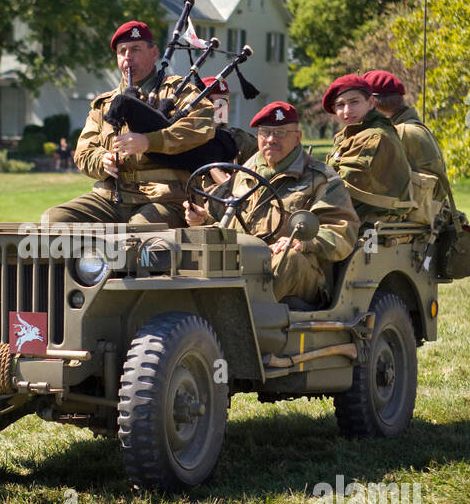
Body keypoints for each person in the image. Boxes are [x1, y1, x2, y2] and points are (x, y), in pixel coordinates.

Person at [184, 101, 358, 304]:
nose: (271, 140)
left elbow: (341, 232)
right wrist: (202, 219)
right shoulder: (244, 173)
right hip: (243, 261)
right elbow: (220, 220)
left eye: (280, 133)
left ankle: (236, 316)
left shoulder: (321, 179)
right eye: (264, 133)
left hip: (297, 269)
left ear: (298, 137)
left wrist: (302, 242)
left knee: (289, 259)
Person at [43, 20, 214, 226]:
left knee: (136, 232)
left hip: (164, 198)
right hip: (111, 197)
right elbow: (83, 153)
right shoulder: (105, 104)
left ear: (154, 53)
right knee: (53, 220)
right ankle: (83, 260)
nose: (127, 57)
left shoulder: (178, 91)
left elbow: (203, 125)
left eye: (135, 49)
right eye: (122, 51)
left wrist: (150, 141)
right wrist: (102, 161)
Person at [322, 74, 413, 224]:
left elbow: (342, 188)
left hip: (367, 222)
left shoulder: (373, 137)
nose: (347, 111)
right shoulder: (351, 134)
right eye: (340, 105)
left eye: (354, 102)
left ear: (371, 103)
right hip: (351, 216)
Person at [362, 69, 454, 207]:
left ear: (372, 102)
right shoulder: (410, 128)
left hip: (411, 218)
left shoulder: (401, 133)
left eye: (356, 101)